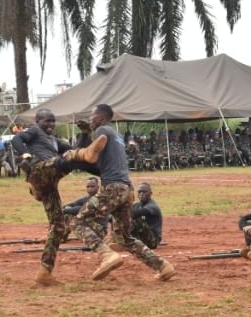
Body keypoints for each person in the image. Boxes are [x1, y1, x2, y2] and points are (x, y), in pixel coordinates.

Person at [63, 103, 175, 282]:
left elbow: (90, 156)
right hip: (126, 189)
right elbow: (97, 165)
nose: (90, 119)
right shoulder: (117, 135)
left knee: (78, 222)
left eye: (93, 116)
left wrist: (73, 153)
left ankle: (107, 255)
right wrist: (85, 136)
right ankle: (162, 266)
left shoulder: (102, 131)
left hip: (112, 188)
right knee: (124, 237)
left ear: (102, 118)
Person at [13, 108, 86, 285]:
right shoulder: (34, 131)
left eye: (53, 121)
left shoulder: (54, 141)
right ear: (38, 121)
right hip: (40, 169)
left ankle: (45, 272)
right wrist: (24, 153)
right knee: (67, 159)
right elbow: (16, 138)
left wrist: (84, 134)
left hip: (49, 182)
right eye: (47, 121)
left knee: (59, 226)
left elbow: (76, 150)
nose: (51, 125)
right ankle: (34, 183)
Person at [130, 182, 163, 249]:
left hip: (152, 241)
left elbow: (135, 214)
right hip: (141, 238)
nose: (141, 194)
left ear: (150, 194)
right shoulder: (136, 205)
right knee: (119, 219)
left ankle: (126, 241)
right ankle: (120, 240)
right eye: (139, 192)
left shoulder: (153, 206)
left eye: (144, 192)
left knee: (135, 219)